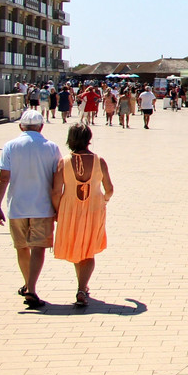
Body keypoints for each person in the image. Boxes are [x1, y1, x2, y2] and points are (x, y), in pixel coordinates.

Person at [0, 110, 62, 309]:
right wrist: (58, 208)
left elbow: (3, 178)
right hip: (42, 207)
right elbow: (57, 182)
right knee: (38, 247)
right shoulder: (51, 148)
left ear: (20, 126)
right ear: (41, 126)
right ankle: (31, 288)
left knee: (21, 247)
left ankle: (27, 283)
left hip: (17, 207)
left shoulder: (10, 146)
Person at [50, 122, 113, 308]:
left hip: (69, 209)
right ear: (89, 139)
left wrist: (56, 210)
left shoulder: (64, 162)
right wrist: (104, 200)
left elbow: (55, 191)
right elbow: (109, 189)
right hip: (94, 208)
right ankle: (82, 287)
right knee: (88, 249)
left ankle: (82, 286)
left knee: (77, 246)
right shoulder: (99, 161)